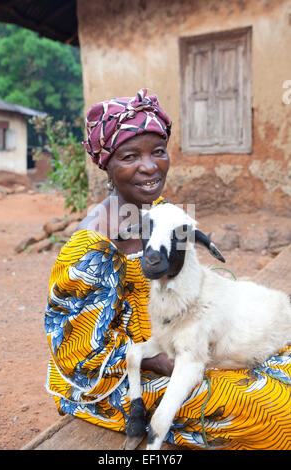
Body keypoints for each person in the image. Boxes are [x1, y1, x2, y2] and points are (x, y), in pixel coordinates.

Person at [45, 88, 291, 450]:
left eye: (157, 152)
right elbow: (78, 358)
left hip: (182, 342)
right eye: (130, 156)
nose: (150, 167)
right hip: (113, 381)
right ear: (106, 164)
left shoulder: (162, 211)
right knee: (271, 406)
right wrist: (174, 359)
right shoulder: (88, 251)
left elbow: (190, 284)